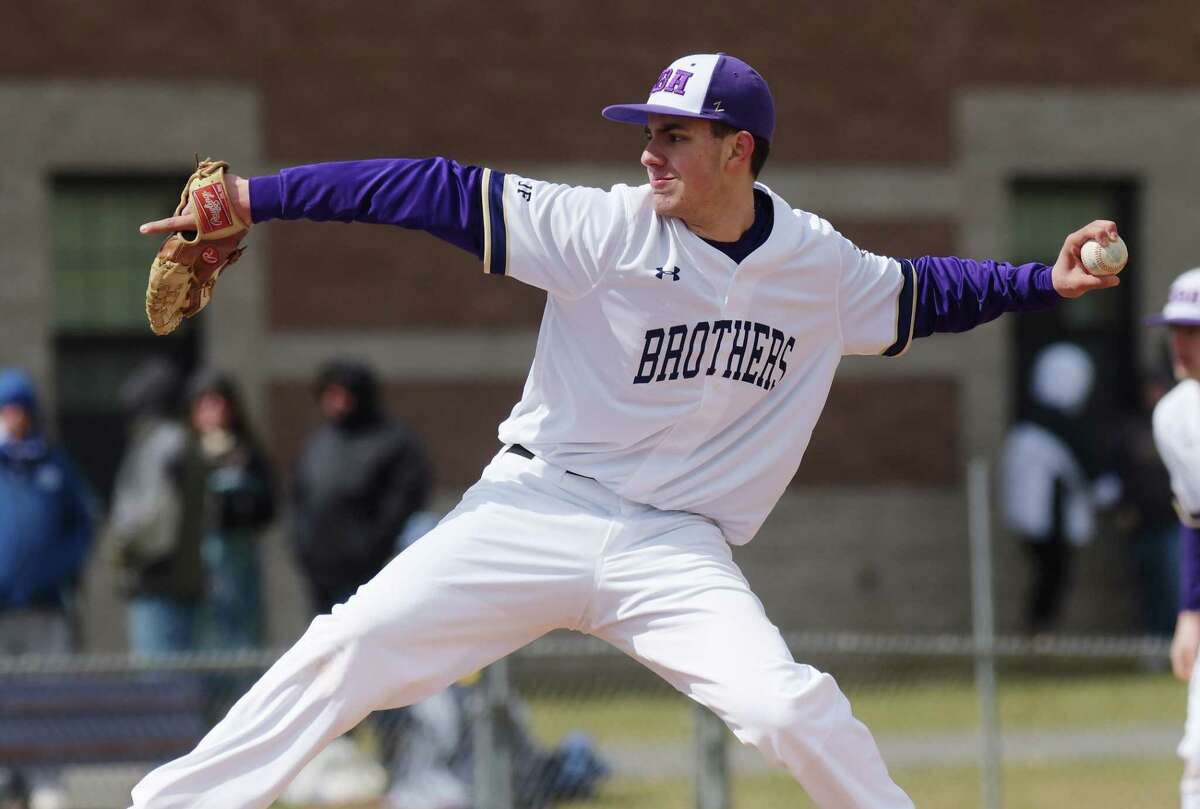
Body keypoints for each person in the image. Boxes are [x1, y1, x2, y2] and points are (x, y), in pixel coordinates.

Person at [129, 52, 1120, 809]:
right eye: (648, 131)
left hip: (675, 549)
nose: (649, 152)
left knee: (783, 706)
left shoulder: (815, 263)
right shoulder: (606, 228)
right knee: (350, 645)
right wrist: (254, 198)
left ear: (738, 150)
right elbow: (429, 188)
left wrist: (1046, 279)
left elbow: (925, 292)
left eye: (675, 135)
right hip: (537, 505)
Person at [292, 359, 432, 615]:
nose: (337, 403)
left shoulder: (395, 442)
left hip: (371, 569)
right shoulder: (319, 443)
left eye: (344, 394)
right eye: (331, 394)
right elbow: (298, 498)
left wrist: (369, 546)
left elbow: (404, 501)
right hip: (320, 570)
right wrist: (303, 547)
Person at [1000, 342, 1102, 634]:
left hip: (1049, 519)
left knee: (1053, 577)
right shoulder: (1048, 429)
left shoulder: (1039, 427)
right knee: (1050, 576)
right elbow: (1087, 472)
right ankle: (1039, 635)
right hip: (1045, 521)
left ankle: (1042, 633)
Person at [1147, 268, 1200, 809]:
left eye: (1194, 331)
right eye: (1176, 329)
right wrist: (1190, 611)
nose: (1181, 342)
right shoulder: (1173, 415)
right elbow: (1194, 517)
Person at [106, 357, 201, 654]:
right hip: (174, 582)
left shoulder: (163, 443)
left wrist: (123, 546)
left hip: (157, 580)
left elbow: (157, 517)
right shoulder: (178, 440)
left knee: (161, 674)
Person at [0, 368, 94, 654]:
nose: (14, 419)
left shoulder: (54, 464)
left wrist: (60, 567)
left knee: (50, 679)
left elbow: (83, 523)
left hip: (47, 605)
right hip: (3, 607)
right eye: (7, 411)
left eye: (19, 410)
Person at [185, 369, 276, 650]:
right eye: (207, 404)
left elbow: (269, 507)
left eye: (221, 403)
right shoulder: (186, 453)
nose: (216, 411)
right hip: (197, 565)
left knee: (243, 637)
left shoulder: (247, 454)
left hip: (239, 560)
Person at [1113, 373, 1179, 636]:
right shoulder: (1132, 431)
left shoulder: (1181, 429)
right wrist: (1124, 507)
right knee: (1148, 590)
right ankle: (1155, 643)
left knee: (1176, 589)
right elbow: (1121, 474)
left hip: (1175, 522)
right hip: (1142, 525)